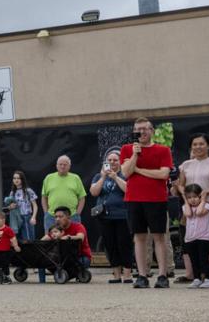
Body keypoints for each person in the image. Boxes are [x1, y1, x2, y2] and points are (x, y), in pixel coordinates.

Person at [122, 117, 174, 289]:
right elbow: (127, 173)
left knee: (159, 236)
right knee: (139, 238)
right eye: (138, 129)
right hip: (134, 199)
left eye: (145, 129)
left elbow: (163, 175)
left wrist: (139, 171)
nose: (142, 132)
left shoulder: (163, 150)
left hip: (156, 199)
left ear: (152, 131)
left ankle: (162, 275)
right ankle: (142, 275)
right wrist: (135, 156)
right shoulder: (127, 149)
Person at [177, 134, 209, 287]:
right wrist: (184, 197)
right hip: (191, 208)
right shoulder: (186, 165)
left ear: (208, 146)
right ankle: (199, 276)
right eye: (195, 144)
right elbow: (181, 184)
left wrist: (208, 192)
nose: (198, 147)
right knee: (194, 242)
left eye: (201, 144)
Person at [90, 150, 133, 283]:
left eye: (115, 160)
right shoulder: (98, 176)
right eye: (110, 160)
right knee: (110, 245)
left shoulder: (125, 175)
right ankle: (116, 274)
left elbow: (128, 190)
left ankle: (127, 274)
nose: (112, 162)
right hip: (104, 216)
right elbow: (94, 192)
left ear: (120, 162)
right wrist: (103, 177)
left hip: (121, 215)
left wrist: (115, 177)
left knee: (124, 244)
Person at [181, 184, 209, 288]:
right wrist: (185, 201)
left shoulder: (207, 206)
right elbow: (188, 214)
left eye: (195, 197)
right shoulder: (185, 207)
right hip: (190, 238)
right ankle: (197, 278)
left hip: (203, 237)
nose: (192, 200)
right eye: (189, 197)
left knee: (203, 258)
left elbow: (199, 212)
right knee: (194, 260)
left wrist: (203, 200)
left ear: (200, 196)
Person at [41, 156, 86, 232]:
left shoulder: (75, 178)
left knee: (73, 241)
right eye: (60, 164)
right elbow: (44, 197)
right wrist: (46, 213)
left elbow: (82, 197)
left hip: (72, 217)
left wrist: (77, 213)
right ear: (56, 165)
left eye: (65, 164)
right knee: (50, 241)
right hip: (52, 217)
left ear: (69, 166)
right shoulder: (49, 178)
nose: (62, 166)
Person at [48, 207, 91, 272]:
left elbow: (80, 237)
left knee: (84, 262)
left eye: (60, 217)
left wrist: (68, 237)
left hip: (80, 257)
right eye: (56, 217)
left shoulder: (78, 226)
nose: (57, 219)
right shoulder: (55, 229)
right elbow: (42, 240)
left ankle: (68, 274)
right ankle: (65, 274)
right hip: (62, 259)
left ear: (68, 217)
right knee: (47, 261)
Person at [3, 171, 39, 242]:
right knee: (17, 240)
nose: (16, 180)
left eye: (18, 178)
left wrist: (33, 217)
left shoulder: (28, 190)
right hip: (16, 219)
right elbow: (9, 207)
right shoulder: (12, 192)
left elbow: (35, 205)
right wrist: (10, 207)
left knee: (28, 240)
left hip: (26, 217)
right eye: (14, 178)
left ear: (22, 179)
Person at [0, 216, 17, 283]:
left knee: (5, 264)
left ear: (3, 220)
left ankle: (6, 276)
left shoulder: (7, 229)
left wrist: (15, 246)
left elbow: (13, 238)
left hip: (5, 251)